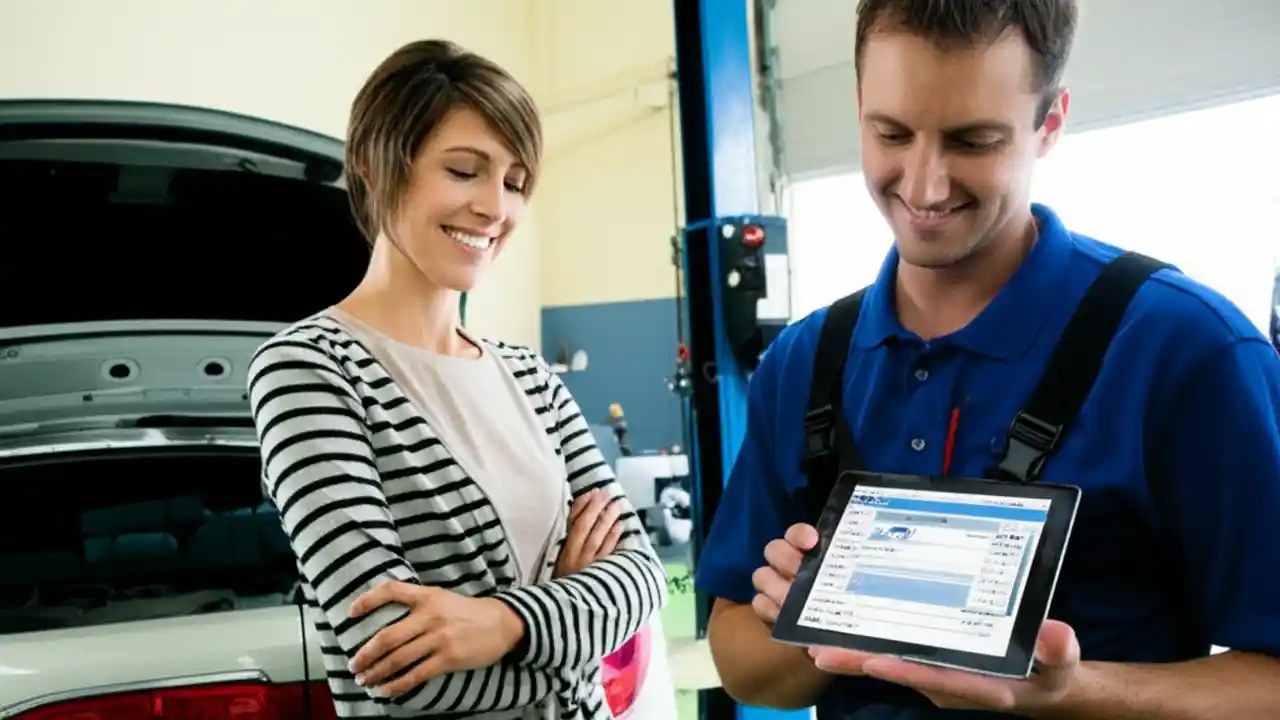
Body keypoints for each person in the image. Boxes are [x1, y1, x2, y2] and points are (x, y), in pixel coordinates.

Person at [694, 1, 1280, 718]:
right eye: (891, 133)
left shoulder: (1190, 352)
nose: (924, 185)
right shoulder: (803, 363)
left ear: (1050, 123)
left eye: (973, 141)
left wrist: (1069, 693)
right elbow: (738, 659)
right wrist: (827, 615)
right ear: (859, 104)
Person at [246, 39, 667, 719]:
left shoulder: (531, 378)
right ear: (374, 165)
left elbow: (641, 580)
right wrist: (574, 636)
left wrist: (506, 625)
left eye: (515, 182)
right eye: (465, 171)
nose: (493, 208)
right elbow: (394, 664)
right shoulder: (310, 370)